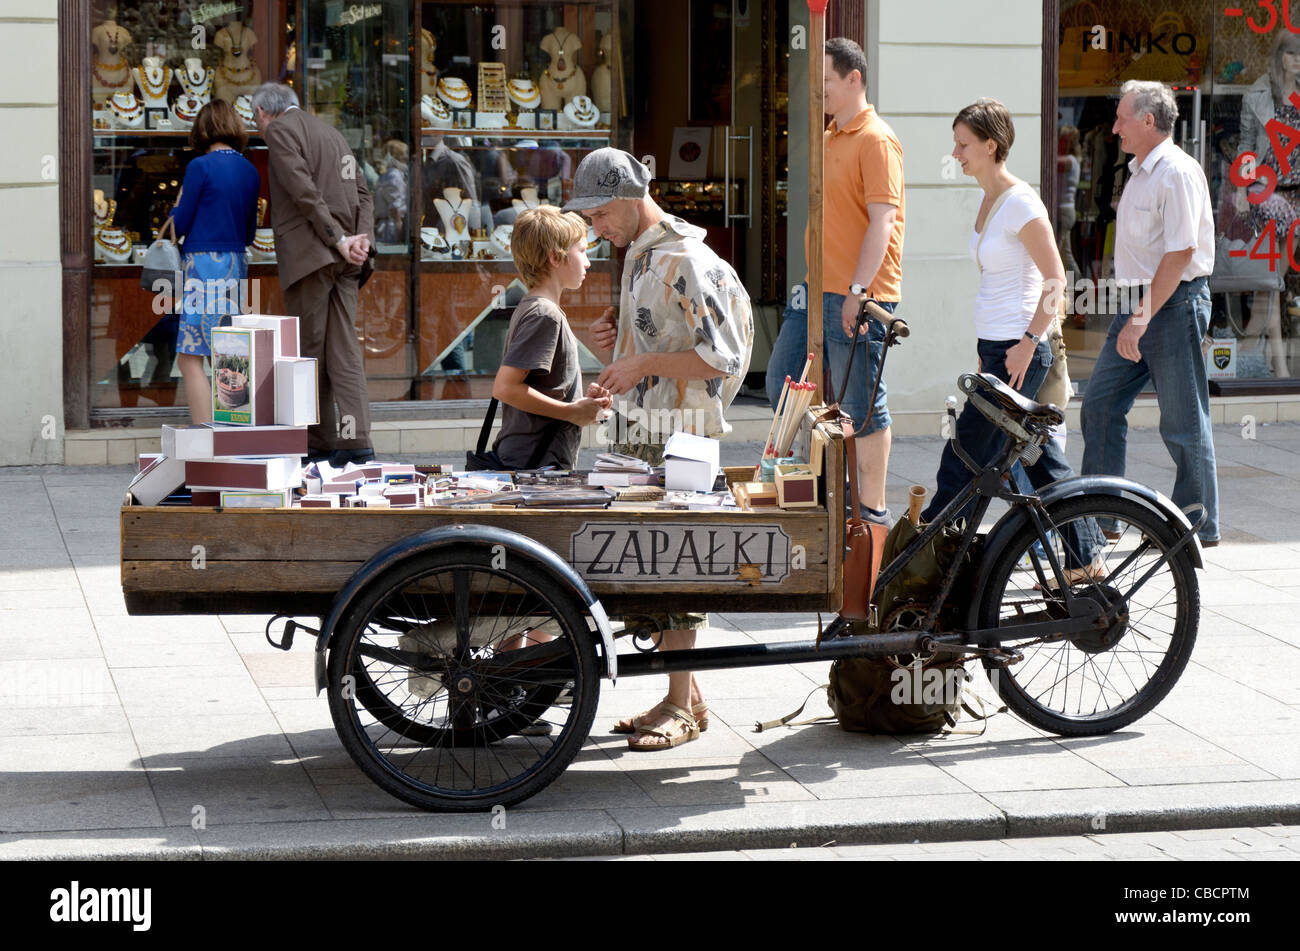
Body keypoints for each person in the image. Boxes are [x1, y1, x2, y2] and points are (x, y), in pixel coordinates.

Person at [569, 148, 753, 751]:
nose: (594, 229)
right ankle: (687, 699)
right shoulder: (643, 258)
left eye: (597, 215)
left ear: (626, 197)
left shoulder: (685, 260)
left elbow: (723, 358)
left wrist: (641, 359)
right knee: (657, 568)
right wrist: (614, 349)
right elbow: (653, 352)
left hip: (678, 437)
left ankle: (680, 703)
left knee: (674, 568)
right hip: (646, 432)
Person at [921, 99, 1101, 576]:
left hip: (1020, 351)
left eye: (963, 144)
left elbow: (1057, 279)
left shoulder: (1021, 202)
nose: (955, 153)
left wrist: (1027, 341)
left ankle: (928, 549)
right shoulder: (989, 200)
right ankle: (1086, 557)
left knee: (965, 451)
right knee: (1037, 456)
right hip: (997, 350)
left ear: (990, 145)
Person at [765, 36, 904, 526]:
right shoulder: (828, 137)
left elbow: (883, 222)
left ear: (854, 79)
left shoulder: (877, 139)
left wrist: (859, 293)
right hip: (815, 287)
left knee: (862, 404)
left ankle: (872, 514)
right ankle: (815, 489)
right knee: (784, 383)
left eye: (826, 80)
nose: (819, 89)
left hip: (857, 292)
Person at [1081, 80, 1220, 546]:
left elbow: (1181, 252)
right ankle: (1099, 516)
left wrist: (1140, 319)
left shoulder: (1177, 172)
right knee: (1100, 404)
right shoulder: (1140, 171)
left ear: (1146, 120)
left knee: (1183, 422)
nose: (1114, 126)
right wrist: (1135, 314)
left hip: (1172, 304)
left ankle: (1196, 527)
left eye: (1121, 117)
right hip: (1140, 304)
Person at [252, 83, 375, 466]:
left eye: (255, 120)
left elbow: (302, 190)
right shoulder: (332, 132)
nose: (258, 127)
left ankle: (317, 443)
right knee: (344, 350)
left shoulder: (279, 131)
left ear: (262, 113)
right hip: (346, 257)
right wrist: (360, 241)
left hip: (313, 256)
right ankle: (355, 442)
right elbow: (365, 193)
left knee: (309, 352)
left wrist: (339, 240)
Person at [491, 205, 613, 469]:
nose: (588, 261)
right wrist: (572, 412)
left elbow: (540, 385)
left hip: (534, 460)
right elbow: (506, 387)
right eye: (581, 251)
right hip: (535, 465)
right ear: (555, 258)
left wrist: (579, 402)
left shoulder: (535, 308)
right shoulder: (544, 315)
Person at [171, 98, 261, 423]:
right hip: (235, 263)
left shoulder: (199, 167)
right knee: (229, 353)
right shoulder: (250, 170)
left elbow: (178, 226)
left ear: (202, 129)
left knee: (190, 356)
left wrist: (174, 208)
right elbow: (250, 233)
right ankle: (232, 429)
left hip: (201, 265)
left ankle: (204, 436)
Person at [1233, 30, 1297, 378]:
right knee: (1270, 281)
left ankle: (1251, 350)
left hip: (1297, 197)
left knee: (1273, 282)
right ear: (1279, 56)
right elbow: (1245, 145)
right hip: (1266, 193)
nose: (1297, 60)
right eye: (1290, 54)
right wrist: (1242, 192)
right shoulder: (1258, 92)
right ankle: (1280, 365)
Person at [372, 139, 409, 245]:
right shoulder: (394, 176)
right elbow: (395, 208)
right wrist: (400, 228)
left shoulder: (388, 175)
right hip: (391, 227)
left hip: (385, 225)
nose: (406, 158)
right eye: (403, 155)